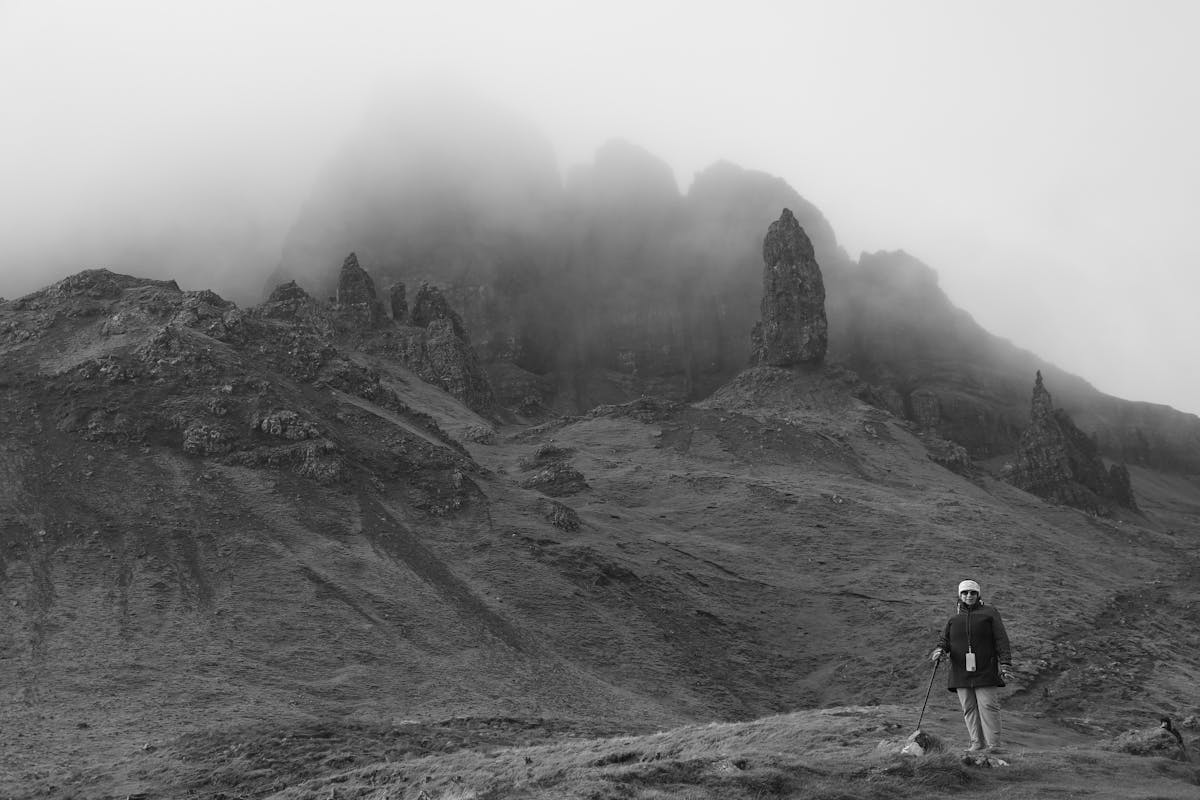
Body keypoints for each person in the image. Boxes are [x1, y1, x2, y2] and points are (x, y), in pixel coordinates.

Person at [930, 579, 1014, 752]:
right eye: (965, 593)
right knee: (968, 708)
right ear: (960, 595)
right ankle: (976, 742)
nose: (969, 595)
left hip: (985, 668)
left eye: (973, 592)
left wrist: (1005, 664)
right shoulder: (954, 619)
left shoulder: (990, 613)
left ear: (978, 594)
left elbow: (1001, 639)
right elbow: (944, 640)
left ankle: (994, 745)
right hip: (961, 670)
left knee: (988, 706)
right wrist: (939, 651)